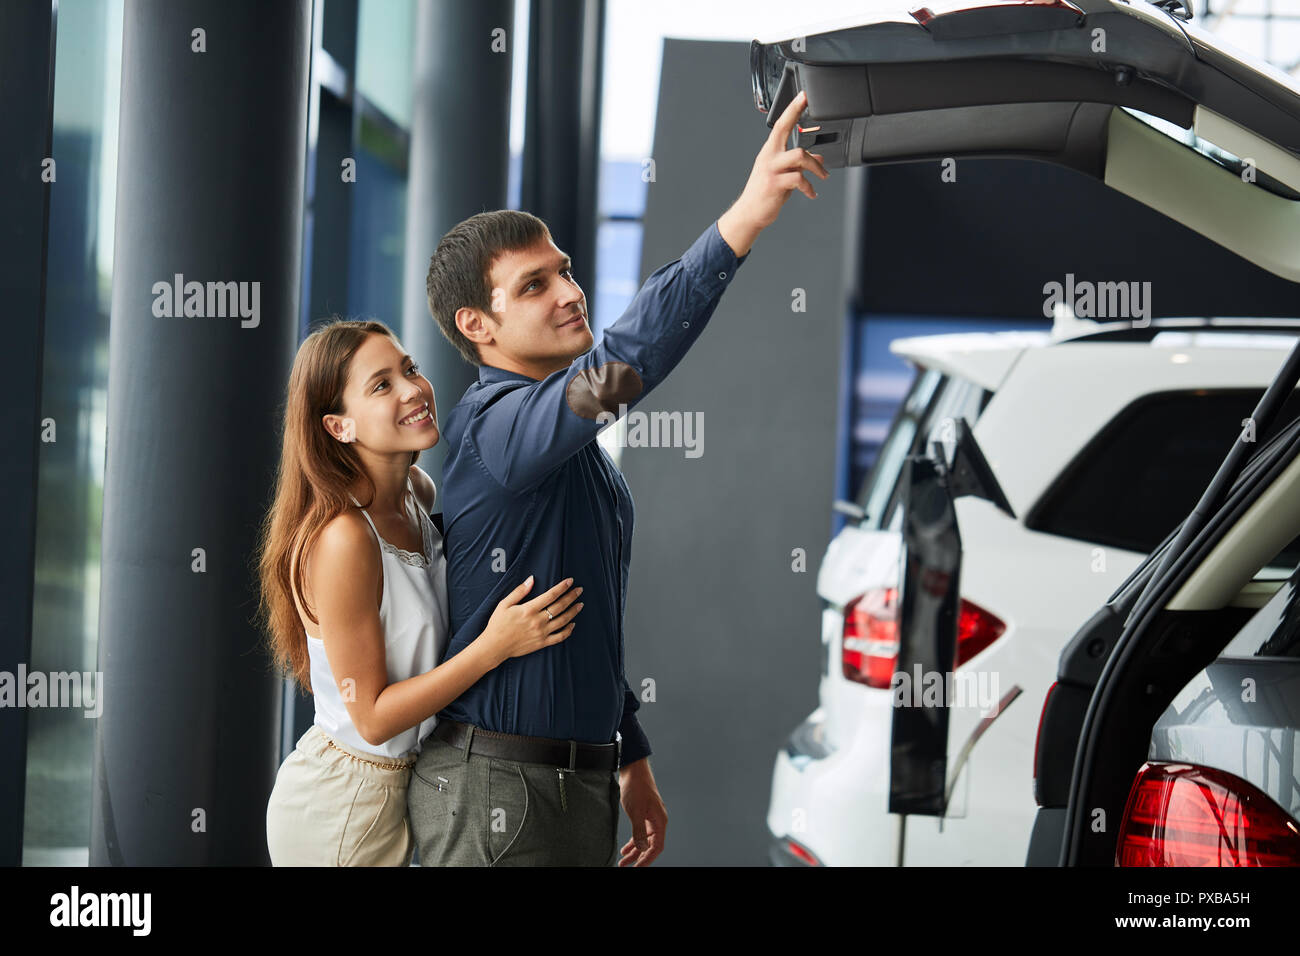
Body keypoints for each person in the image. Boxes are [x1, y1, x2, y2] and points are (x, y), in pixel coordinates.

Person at [408, 91, 829, 866]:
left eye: (564, 271)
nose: (570, 293)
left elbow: (589, 621)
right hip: (498, 793)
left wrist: (628, 752)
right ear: (478, 324)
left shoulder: (561, 450)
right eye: (535, 285)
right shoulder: (498, 430)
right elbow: (621, 369)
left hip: (573, 782)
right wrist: (746, 217)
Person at [256, 318, 585, 866]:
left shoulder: (415, 491)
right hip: (341, 804)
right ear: (338, 426)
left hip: (403, 790)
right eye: (381, 384)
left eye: (409, 369)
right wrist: (493, 647)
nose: (413, 389)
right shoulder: (343, 539)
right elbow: (375, 718)